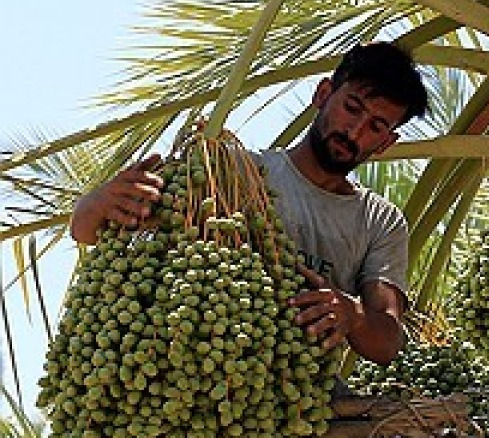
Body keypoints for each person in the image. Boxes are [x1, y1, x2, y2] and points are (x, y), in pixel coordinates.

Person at [69, 42, 429, 366]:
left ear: (386, 143)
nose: (354, 132)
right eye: (351, 108)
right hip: (189, 367)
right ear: (323, 94)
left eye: (375, 127)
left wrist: (355, 316)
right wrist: (97, 203)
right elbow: (86, 231)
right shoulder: (228, 172)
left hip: (296, 399)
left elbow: (387, 343)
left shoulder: (379, 221)